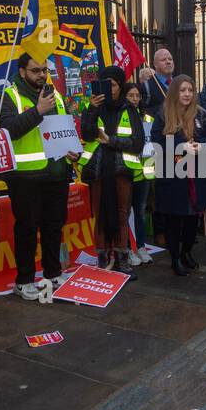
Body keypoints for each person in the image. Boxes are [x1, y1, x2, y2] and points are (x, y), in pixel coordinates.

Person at [0, 52, 81, 300]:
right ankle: (24, 281)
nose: (42, 75)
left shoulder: (56, 96)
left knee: (54, 227)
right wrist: (38, 111)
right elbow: (8, 131)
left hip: (56, 174)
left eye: (44, 70)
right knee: (27, 230)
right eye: (36, 70)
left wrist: (72, 152)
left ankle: (53, 273)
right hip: (25, 178)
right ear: (22, 72)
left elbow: (64, 130)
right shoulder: (8, 96)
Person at [79, 66, 144, 274]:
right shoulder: (93, 107)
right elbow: (87, 135)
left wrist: (111, 141)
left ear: (120, 86)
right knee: (100, 214)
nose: (109, 89)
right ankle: (102, 256)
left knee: (122, 214)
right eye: (104, 84)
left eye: (113, 84)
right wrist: (91, 110)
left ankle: (122, 258)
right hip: (98, 170)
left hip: (121, 171)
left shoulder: (129, 109)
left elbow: (138, 143)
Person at [152, 75, 206, 276]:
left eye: (190, 90)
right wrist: (180, 147)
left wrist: (200, 146)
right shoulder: (163, 115)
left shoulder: (201, 114)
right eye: (182, 90)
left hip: (196, 177)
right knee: (173, 220)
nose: (187, 94)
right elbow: (156, 145)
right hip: (172, 177)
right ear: (175, 92)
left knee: (191, 220)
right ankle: (175, 259)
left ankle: (187, 253)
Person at [124, 82, 155, 266]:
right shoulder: (123, 116)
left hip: (145, 172)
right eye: (131, 95)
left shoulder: (148, 119)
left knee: (141, 211)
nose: (135, 99)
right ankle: (128, 248)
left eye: (137, 95)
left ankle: (141, 246)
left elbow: (152, 144)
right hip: (129, 171)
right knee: (126, 213)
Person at [136, 47, 175, 120]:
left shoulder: (179, 84)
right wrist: (164, 108)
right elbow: (141, 111)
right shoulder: (146, 87)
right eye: (163, 60)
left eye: (170, 59)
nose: (168, 62)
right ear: (155, 64)